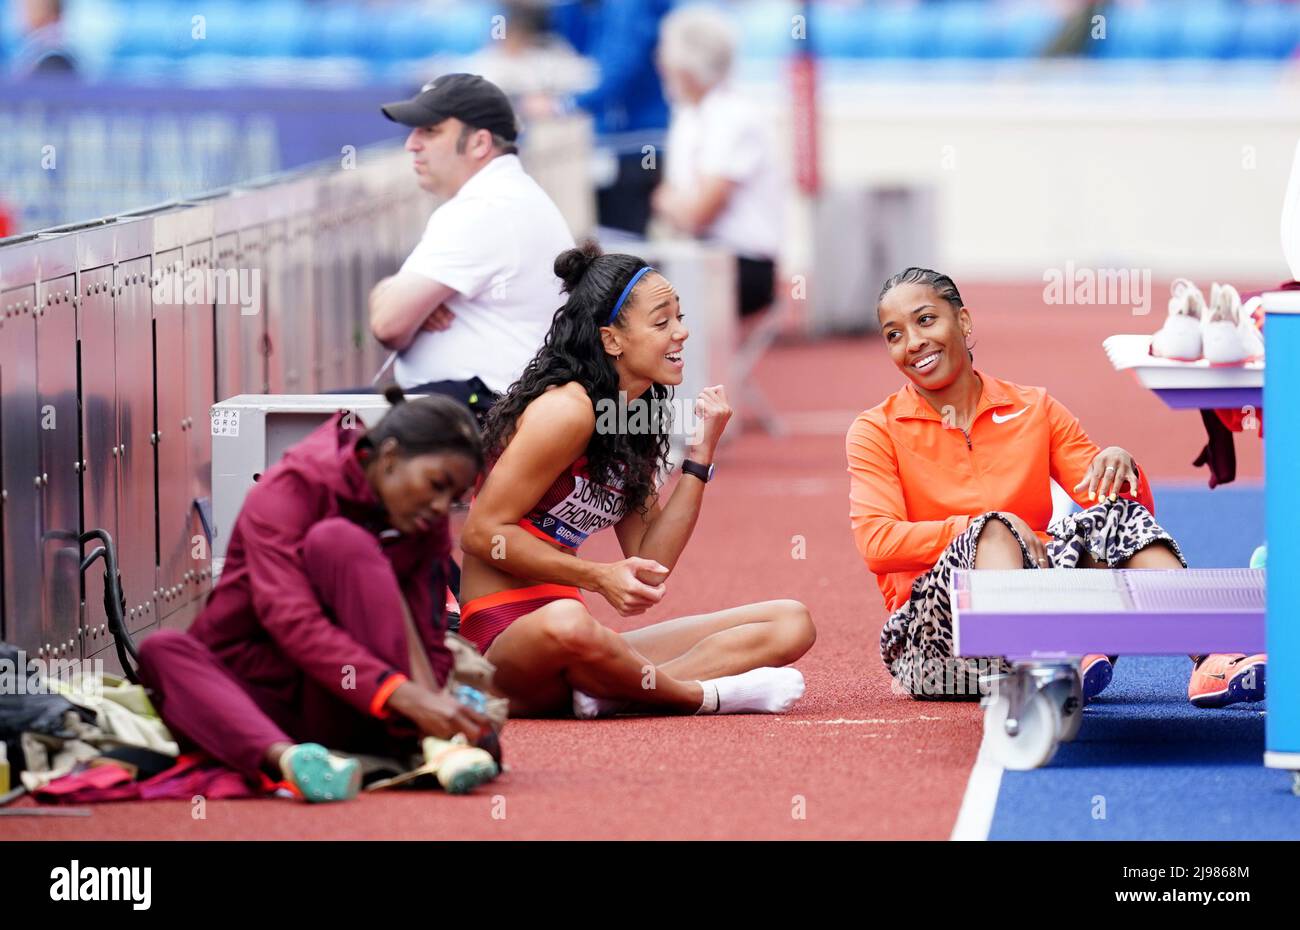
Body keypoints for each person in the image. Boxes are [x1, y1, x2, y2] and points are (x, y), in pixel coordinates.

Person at [847, 267, 1266, 706]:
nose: (912, 343)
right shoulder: (875, 429)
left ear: (964, 322)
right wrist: (986, 526)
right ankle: (1049, 656)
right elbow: (877, 543)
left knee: (1114, 518)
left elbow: (1125, 516)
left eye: (926, 320)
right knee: (993, 529)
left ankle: (1210, 661)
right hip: (935, 645)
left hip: (1039, 602)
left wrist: (1123, 472)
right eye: (894, 335)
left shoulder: (1034, 408)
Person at [456, 241, 815, 718]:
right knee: (568, 621)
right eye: (662, 322)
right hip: (503, 642)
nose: (681, 333)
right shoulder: (567, 411)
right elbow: (481, 534)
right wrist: (596, 576)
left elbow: (650, 561)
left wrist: (700, 457)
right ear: (612, 340)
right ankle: (701, 697)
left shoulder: (631, 417)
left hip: (581, 640)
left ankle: (612, 692)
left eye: (680, 318)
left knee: (791, 622)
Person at [137, 391, 497, 802]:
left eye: (452, 500)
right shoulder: (289, 490)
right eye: (436, 485)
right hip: (261, 691)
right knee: (161, 649)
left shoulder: (420, 516)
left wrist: (431, 700)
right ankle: (291, 762)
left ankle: (426, 740)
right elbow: (292, 619)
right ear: (391, 456)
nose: (439, 507)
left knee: (339, 542)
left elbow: (428, 629)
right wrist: (403, 694)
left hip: (356, 702)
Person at [369, 73, 575, 424]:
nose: (411, 144)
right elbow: (393, 315)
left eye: (429, 131)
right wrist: (398, 296)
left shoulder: (485, 208)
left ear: (479, 143)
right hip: (490, 404)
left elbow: (387, 325)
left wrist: (400, 299)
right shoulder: (503, 196)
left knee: (294, 429)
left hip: (478, 410)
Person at [651, 5, 783, 319]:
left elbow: (699, 213)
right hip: (700, 254)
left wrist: (670, 204)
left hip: (741, 265)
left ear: (685, 67)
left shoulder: (733, 118)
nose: (659, 64)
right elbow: (676, 203)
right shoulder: (688, 115)